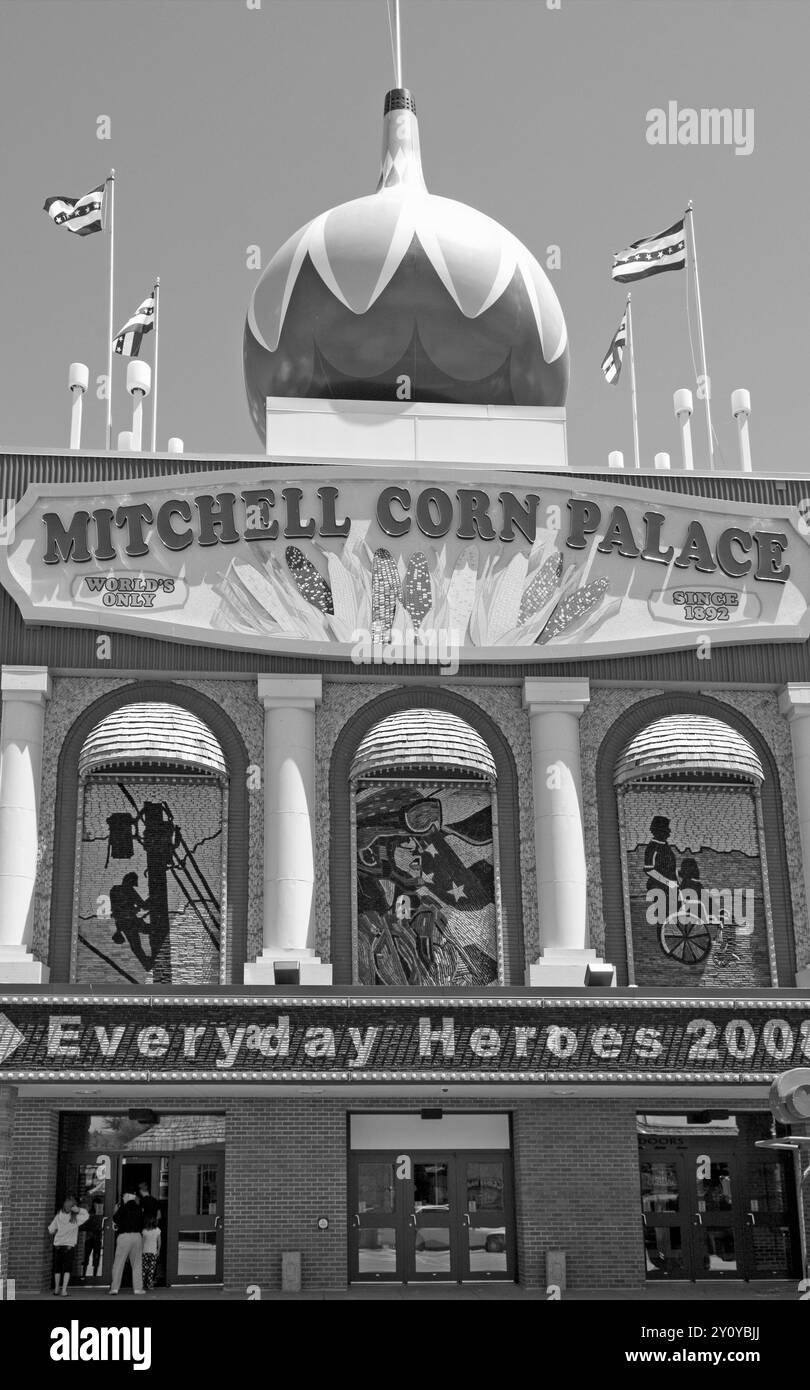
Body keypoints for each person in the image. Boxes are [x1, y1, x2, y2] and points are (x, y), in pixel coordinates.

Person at [48, 1195, 88, 1296]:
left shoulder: (58, 1215)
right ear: (73, 1206)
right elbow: (87, 1215)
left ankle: (56, 1289)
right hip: (69, 1246)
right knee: (67, 1268)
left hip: (58, 1245)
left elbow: (50, 1229)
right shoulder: (76, 1218)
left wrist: (58, 1230)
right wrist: (78, 1210)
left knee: (57, 1268)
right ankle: (64, 1290)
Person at [109, 1191, 144, 1295]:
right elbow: (142, 1222)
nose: (123, 1198)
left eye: (124, 1196)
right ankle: (138, 1289)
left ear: (128, 1197)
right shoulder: (139, 1208)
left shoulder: (123, 1208)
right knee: (137, 1264)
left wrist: (115, 1211)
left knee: (119, 1263)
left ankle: (114, 1288)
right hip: (137, 1236)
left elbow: (116, 1219)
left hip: (124, 1236)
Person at [81, 1198, 105, 1280]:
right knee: (86, 1256)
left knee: (96, 1256)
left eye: (99, 1204)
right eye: (96, 1204)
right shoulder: (90, 1213)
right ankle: (83, 1274)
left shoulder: (102, 1212)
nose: (98, 1206)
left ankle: (95, 1276)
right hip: (89, 1237)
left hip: (97, 1238)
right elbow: (86, 1224)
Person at [141, 1217, 161, 1291]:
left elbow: (142, 1243)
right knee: (151, 1269)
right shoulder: (158, 1230)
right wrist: (158, 1250)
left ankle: (142, 1284)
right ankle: (149, 1284)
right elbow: (159, 1242)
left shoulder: (144, 1231)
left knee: (144, 1269)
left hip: (145, 1252)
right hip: (153, 1252)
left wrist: (141, 1251)